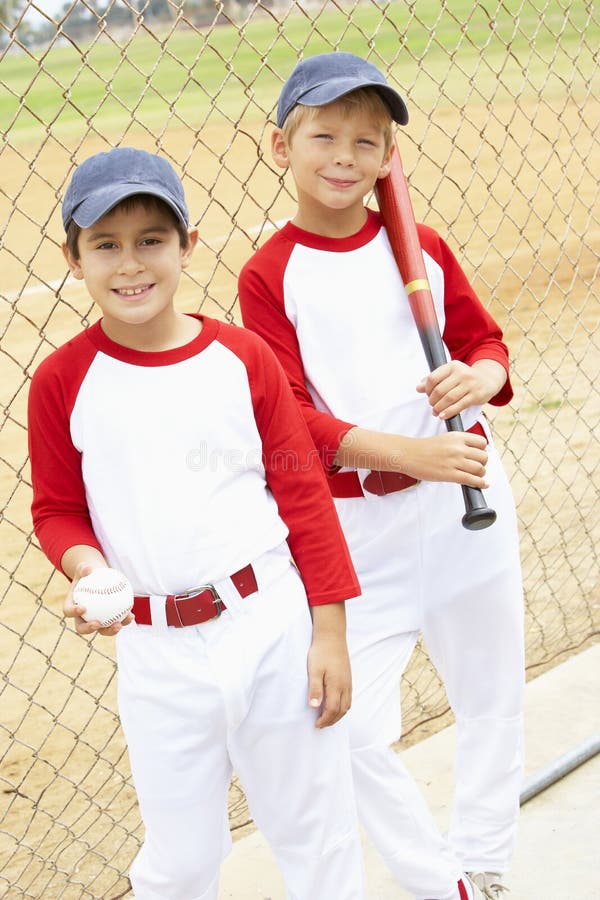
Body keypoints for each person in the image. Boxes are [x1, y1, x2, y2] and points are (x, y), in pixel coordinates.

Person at [27, 146, 367, 900]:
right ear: (72, 257)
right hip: (158, 651)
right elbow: (56, 509)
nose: (130, 264)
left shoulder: (242, 359)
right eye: (105, 245)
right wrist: (87, 566)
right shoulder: (62, 381)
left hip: (272, 625)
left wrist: (331, 631)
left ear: (188, 244)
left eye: (152, 239)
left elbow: (304, 496)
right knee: (180, 861)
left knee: (316, 832)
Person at [238, 52, 525, 900]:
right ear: (279, 147)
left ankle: (485, 863)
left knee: (492, 697)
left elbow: (490, 347)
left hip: (469, 497)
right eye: (323, 135)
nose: (345, 156)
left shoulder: (422, 246)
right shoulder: (270, 274)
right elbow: (290, 422)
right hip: (362, 526)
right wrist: (411, 456)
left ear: (387, 157)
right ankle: (443, 882)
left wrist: (480, 379)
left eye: (368, 141)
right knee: (347, 726)